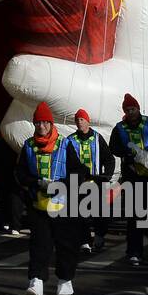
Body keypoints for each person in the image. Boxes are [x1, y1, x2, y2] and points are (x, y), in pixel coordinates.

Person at [16, 102, 87, 295]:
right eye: (38, 123)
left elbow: (78, 172)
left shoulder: (65, 144)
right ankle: (36, 281)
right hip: (39, 207)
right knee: (40, 245)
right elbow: (20, 173)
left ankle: (65, 280)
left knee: (66, 246)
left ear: (51, 123)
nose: (41, 127)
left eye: (45, 123)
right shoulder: (28, 146)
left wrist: (60, 185)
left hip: (65, 207)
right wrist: (36, 182)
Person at [109, 94, 148, 265]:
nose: (131, 112)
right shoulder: (119, 128)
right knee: (134, 215)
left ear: (138, 108)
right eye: (128, 110)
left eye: (133, 109)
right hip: (132, 176)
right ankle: (134, 251)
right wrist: (128, 155)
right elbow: (114, 147)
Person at [63, 108, 114, 253]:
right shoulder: (70, 140)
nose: (79, 123)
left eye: (82, 120)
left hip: (97, 183)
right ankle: (84, 241)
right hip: (78, 184)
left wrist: (107, 176)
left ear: (87, 121)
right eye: (77, 120)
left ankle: (99, 236)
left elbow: (109, 159)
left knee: (100, 214)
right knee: (80, 214)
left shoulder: (98, 138)